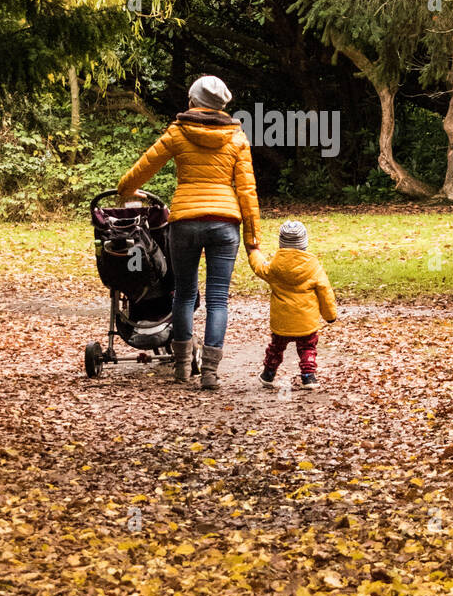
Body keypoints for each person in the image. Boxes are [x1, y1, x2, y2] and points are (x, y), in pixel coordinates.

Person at [115, 76, 260, 389]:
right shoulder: (236, 137)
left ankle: (182, 367)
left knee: (183, 294)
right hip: (225, 223)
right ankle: (209, 372)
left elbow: (145, 165)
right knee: (218, 299)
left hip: (185, 221)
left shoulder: (178, 132)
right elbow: (247, 191)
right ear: (222, 106)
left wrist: (126, 189)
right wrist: (253, 240)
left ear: (193, 102)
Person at [247, 219, 336, 390]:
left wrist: (254, 252)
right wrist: (330, 316)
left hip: (282, 321)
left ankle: (268, 374)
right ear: (304, 243)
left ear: (282, 242)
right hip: (306, 322)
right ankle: (309, 377)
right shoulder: (313, 266)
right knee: (307, 348)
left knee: (276, 348)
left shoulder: (275, 266)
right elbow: (325, 291)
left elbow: (260, 267)